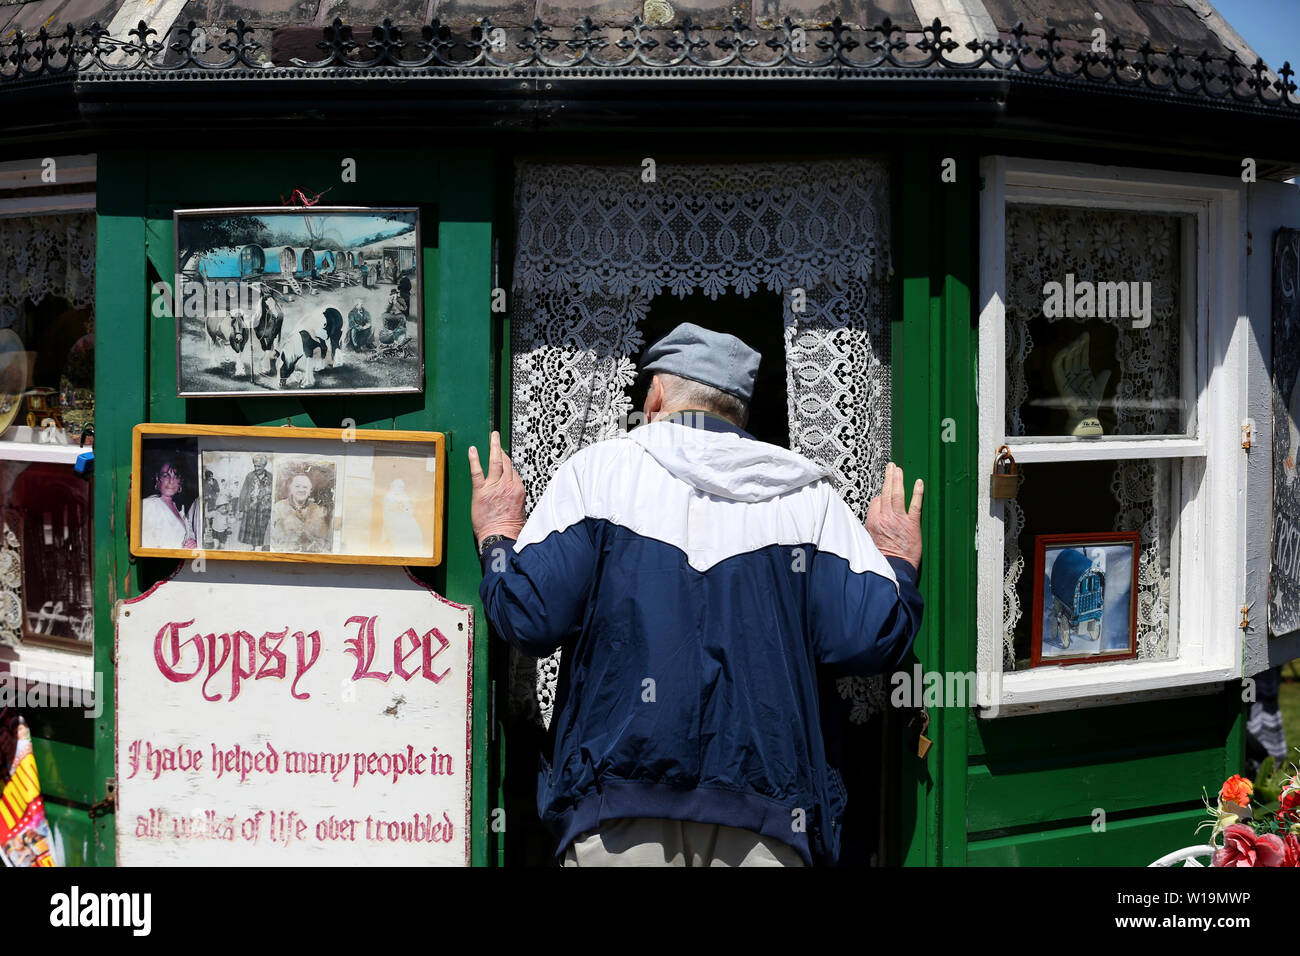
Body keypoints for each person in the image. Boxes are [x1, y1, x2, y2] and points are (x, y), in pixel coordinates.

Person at [471, 322, 924, 867]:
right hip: (766, 821)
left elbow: (528, 618)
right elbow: (871, 637)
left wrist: (498, 533)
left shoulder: (598, 474)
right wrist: (895, 559)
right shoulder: (808, 495)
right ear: (741, 413)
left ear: (656, 395)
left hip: (617, 816)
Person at [140, 460, 197, 549]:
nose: (171, 481)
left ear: (180, 482)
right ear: (158, 478)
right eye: (166, 475)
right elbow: (146, 546)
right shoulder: (149, 505)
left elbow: (188, 535)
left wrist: (191, 543)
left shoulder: (179, 509)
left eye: (176, 476)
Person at [269, 472, 331, 553]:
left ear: (310, 490)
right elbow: (272, 541)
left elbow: (325, 541)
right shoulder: (278, 508)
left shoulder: (318, 511)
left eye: (305, 487)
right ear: (291, 488)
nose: (301, 490)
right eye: (297, 486)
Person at [236, 455, 273, 551]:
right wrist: (241, 508)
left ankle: (259, 546)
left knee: (261, 527)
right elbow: (244, 491)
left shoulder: (270, 476)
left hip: (264, 508)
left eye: (259, 466)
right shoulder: (250, 476)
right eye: (255, 466)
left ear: (264, 465)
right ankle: (252, 547)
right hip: (251, 507)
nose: (256, 468)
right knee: (251, 527)